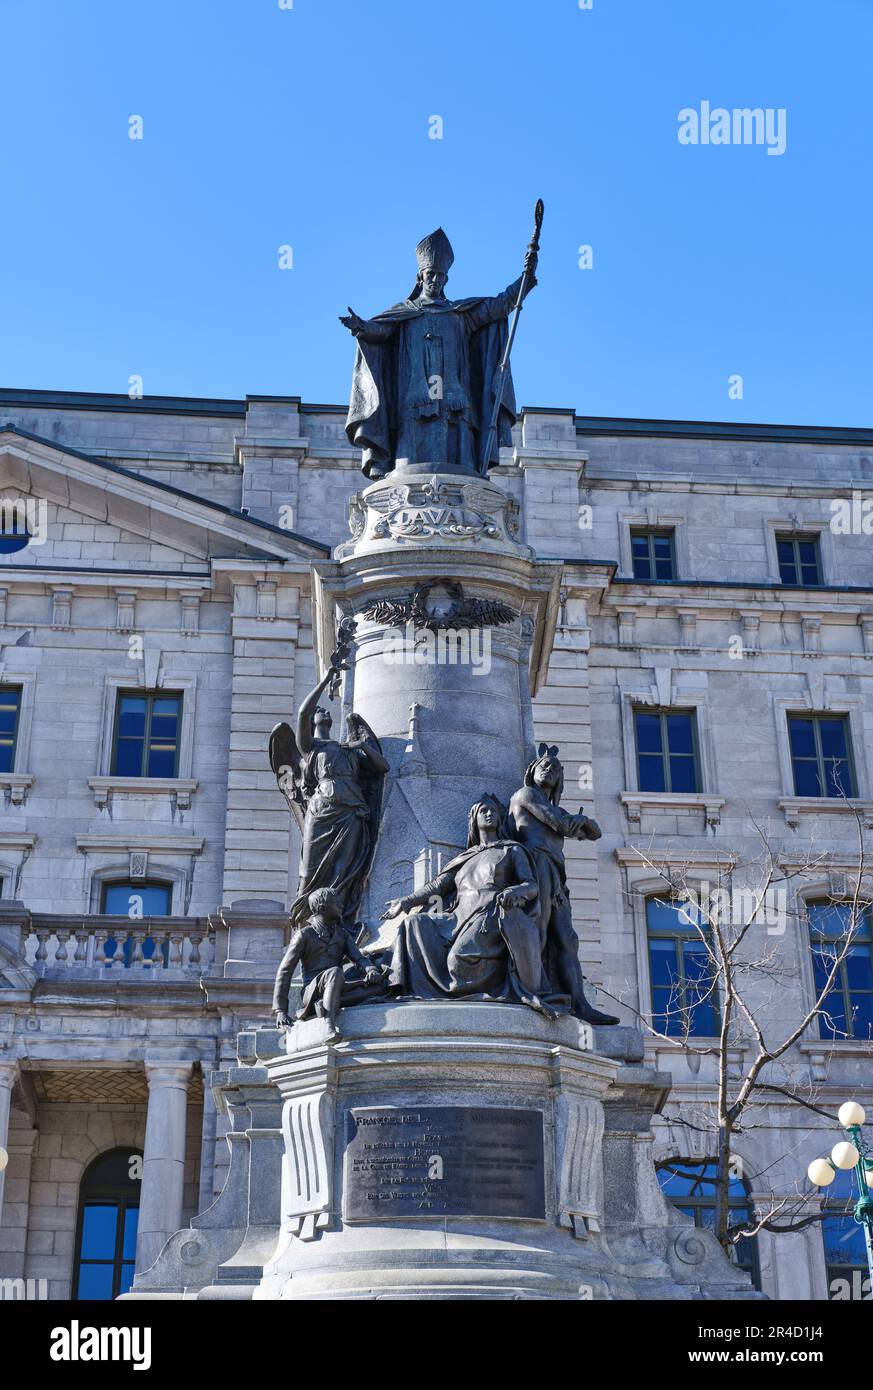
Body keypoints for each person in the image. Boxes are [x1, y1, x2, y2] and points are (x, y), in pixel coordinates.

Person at [341, 228, 537, 479]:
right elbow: (380, 330)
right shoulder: (406, 312)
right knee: (413, 437)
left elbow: (501, 305)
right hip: (413, 395)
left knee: (455, 433)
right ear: (420, 276)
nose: (434, 280)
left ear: (446, 280)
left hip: (455, 396)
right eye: (430, 274)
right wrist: (362, 327)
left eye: (440, 276)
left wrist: (526, 278)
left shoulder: (460, 314)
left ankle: (462, 474)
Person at [383, 795, 567, 1019]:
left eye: (493, 811)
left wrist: (514, 891)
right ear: (474, 819)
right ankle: (403, 989)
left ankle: (459, 998)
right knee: (413, 924)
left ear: (500, 819)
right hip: (458, 916)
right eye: (483, 811)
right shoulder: (466, 857)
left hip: (489, 913)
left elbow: (531, 886)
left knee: (457, 961)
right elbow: (438, 885)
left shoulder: (511, 850)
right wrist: (406, 902)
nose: (489, 814)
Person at [508, 745, 619, 1026]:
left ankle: (580, 1003)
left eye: (555, 769)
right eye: (544, 766)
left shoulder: (549, 804)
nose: (549, 770)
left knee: (567, 938)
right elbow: (562, 824)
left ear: (560, 780)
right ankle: (534, 993)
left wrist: (579, 824)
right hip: (535, 866)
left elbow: (592, 832)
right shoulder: (527, 795)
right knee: (540, 932)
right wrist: (581, 821)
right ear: (531, 771)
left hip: (554, 873)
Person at [272, 888, 386, 1039]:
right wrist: (280, 1010)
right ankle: (329, 1027)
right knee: (335, 972)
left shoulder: (341, 934)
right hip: (312, 991)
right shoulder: (305, 935)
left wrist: (371, 970)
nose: (341, 905)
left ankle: (325, 1004)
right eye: (336, 902)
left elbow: (359, 959)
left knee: (382, 985)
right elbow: (285, 971)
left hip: (337, 985)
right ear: (322, 908)